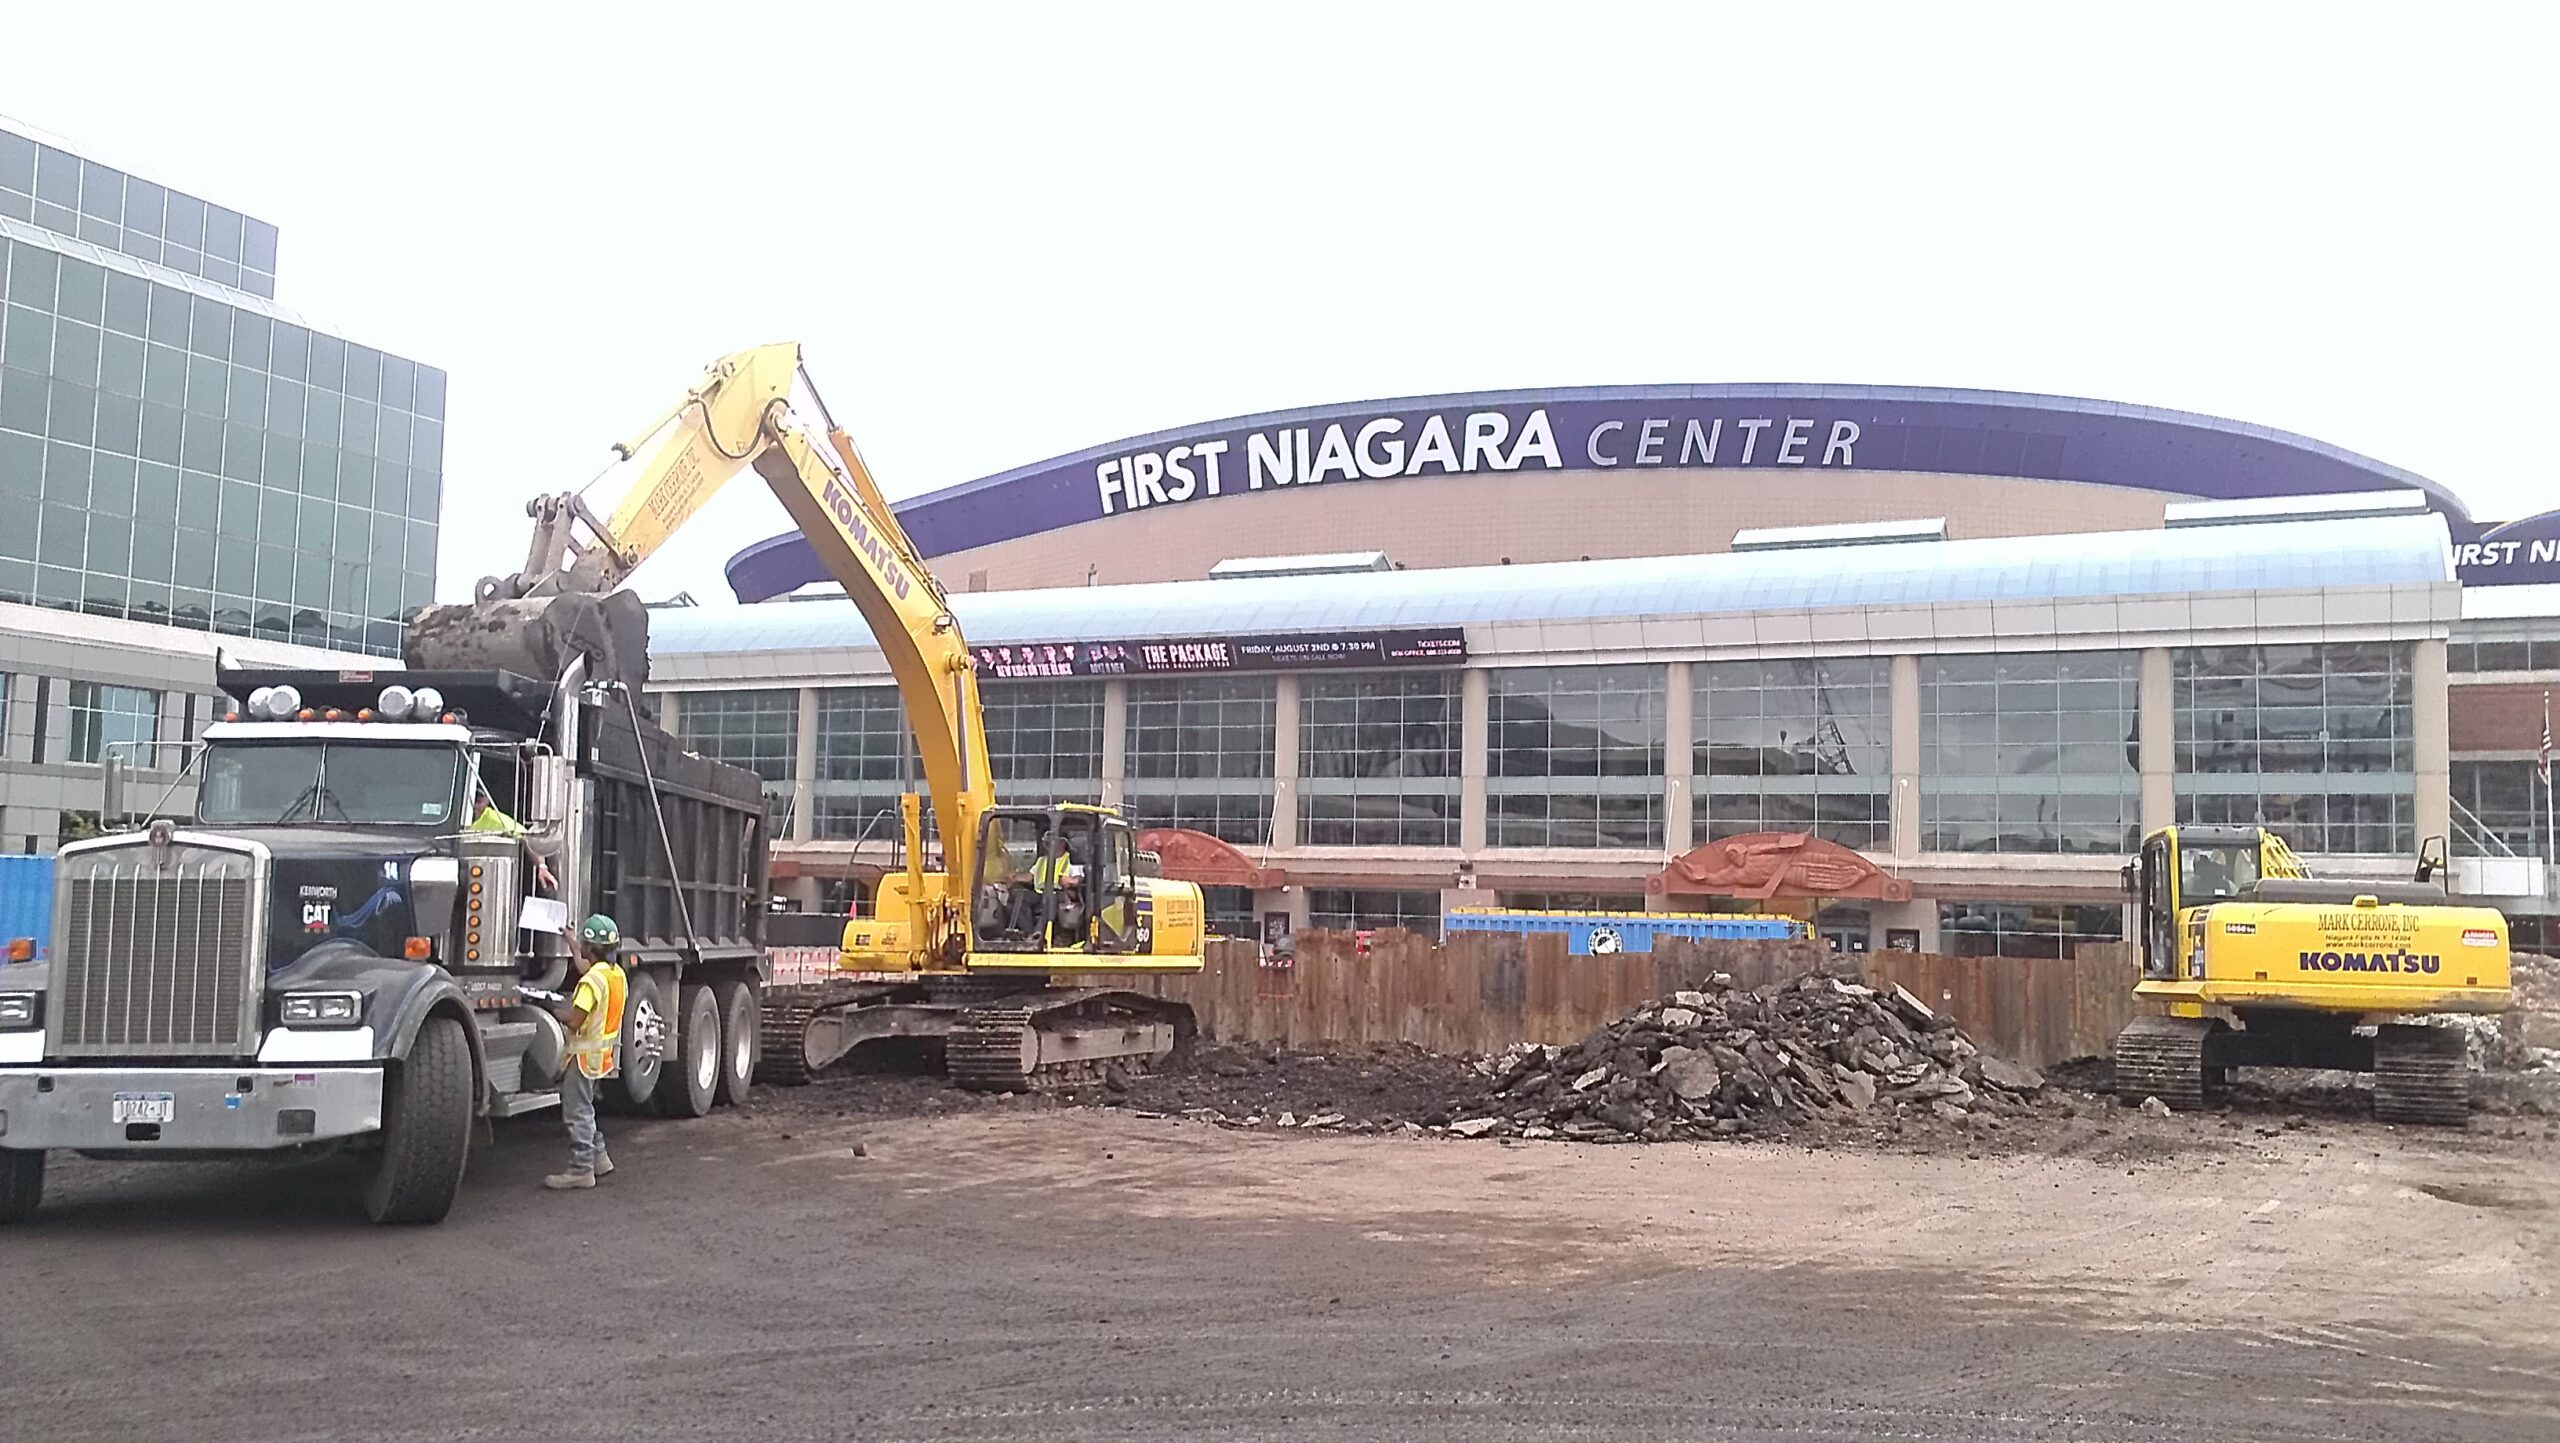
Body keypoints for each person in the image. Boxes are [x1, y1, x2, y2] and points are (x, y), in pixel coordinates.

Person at [544, 914, 628, 1191]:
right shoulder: (614, 975)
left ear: (590, 948)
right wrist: (569, 938)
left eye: (582, 942)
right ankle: (599, 1158)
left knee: (576, 1112)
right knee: (586, 1108)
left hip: (582, 1058)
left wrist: (551, 1009)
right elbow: (586, 966)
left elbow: (575, 1020)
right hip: (601, 1057)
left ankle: (581, 1169)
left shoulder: (592, 983)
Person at [468, 780, 557, 890]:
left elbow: (529, 838)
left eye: (479, 800)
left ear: (487, 801)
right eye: (472, 799)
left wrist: (542, 867)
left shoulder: (495, 819)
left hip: (484, 883)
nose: (474, 805)